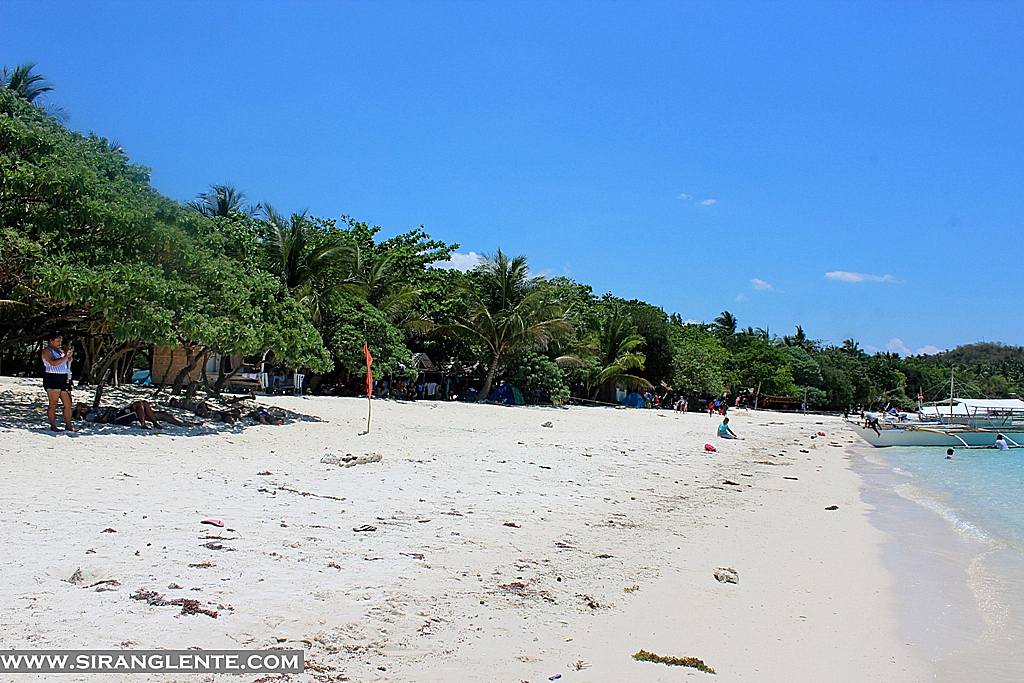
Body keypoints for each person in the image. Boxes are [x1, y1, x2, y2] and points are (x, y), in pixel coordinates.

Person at [41, 333, 75, 432]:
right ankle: (53, 425)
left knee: (68, 402)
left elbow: (63, 363)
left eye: (60, 341)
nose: (59, 343)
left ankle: (68, 425)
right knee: (53, 402)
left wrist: (68, 359)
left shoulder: (60, 351)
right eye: (57, 341)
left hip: (63, 377)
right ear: (51, 341)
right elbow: (53, 363)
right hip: (53, 377)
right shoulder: (47, 351)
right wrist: (65, 357)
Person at [74, 400, 188, 428]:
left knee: (144, 403)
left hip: (118, 412)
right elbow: (103, 420)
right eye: (82, 409)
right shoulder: (89, 416)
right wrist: (109, 410)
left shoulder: (93, 408)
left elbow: (79, 403)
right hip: (116, 418)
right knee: (138, 405)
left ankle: (154, 422)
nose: (84, 407)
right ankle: (144, 423)